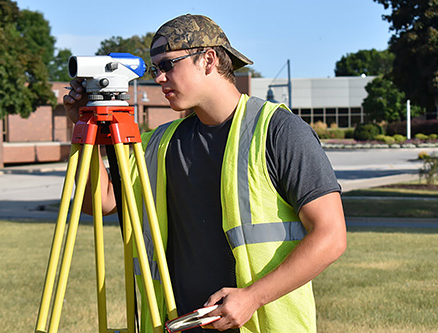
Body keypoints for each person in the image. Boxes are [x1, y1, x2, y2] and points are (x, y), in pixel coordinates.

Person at [64, 14, 346, 333]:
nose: (158, 78)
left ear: (208, 59)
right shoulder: (162, 140)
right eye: (155, 69)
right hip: (176, 324)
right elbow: (100, 202)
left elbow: (331, 235)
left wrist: (252, 297)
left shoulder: (279, 131)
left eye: (168, 65)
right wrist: (80, 124)